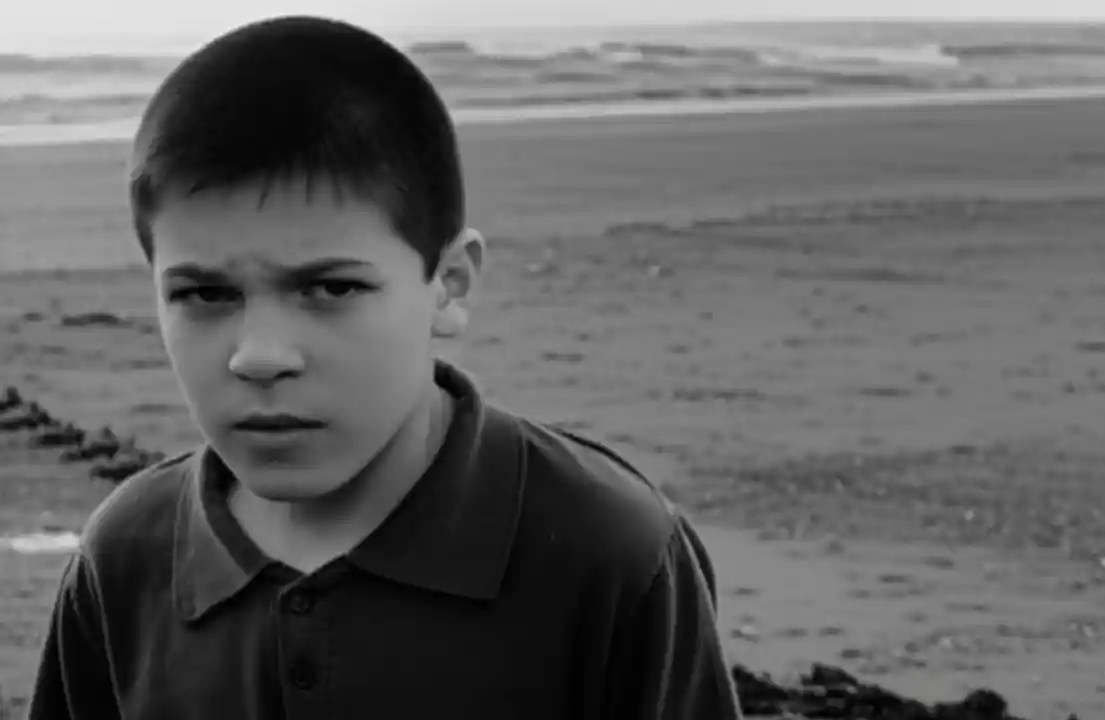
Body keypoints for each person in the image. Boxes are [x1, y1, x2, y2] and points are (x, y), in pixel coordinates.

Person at [26, 15, 743, 720]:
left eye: (331, 288)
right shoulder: (124, 558)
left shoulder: (610, 551)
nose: (260, 355)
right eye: (205, 293)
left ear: (450, 284)